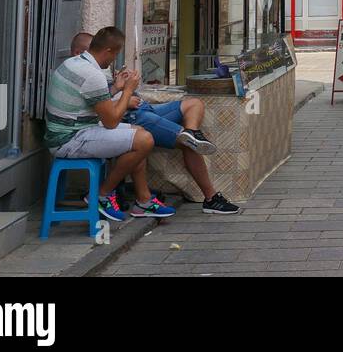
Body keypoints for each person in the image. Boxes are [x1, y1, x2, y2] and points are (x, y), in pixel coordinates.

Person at [69, 32, 241, 215]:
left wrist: (118, 87)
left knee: (194, 104)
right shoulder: (85, 72)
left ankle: (192, 132)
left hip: (142, 109)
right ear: (79, 52)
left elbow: (99, 100)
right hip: (132, 117)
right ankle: (211, 197)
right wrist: (126, 96)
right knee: (185, 143)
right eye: (108, 53)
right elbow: (103, 113)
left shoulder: (88, 68)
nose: (111, 60)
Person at [45, 27, 175, 222]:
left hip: (69, 131)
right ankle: (102, 194)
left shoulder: (74, 63)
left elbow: (92, 102)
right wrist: (128, 91)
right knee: (144, 140)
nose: (113, 60)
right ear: (108, 51)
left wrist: (116, 88)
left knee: (140, 133)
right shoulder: (92, 75)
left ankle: (144, 201)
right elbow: (112, 121)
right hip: (69, 140)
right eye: (114, 55)